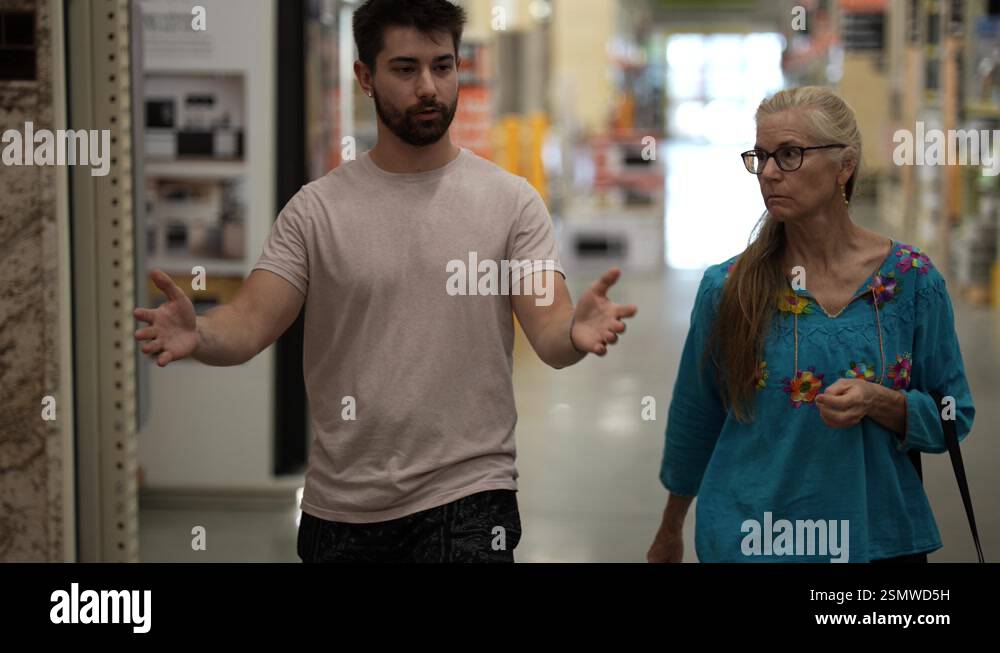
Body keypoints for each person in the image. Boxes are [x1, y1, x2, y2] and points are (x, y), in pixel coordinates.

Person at [133, 0, 637, 563]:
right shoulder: (316, 211)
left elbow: (548, 328)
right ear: (365, 77)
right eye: (405, 68)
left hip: (469, 495)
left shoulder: (511, 202)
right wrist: (199, 335)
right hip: (343, 505)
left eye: (442, 67)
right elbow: (250, 322)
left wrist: (575, 332)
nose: (429, 87)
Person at [647, 86, 975, 563]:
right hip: (752, 540)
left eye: (790, 155)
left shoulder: (912, 283)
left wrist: (882, 403)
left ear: (844, 165)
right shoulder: (729, 287)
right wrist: (670, 526)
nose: (769, 173)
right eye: (760, 157)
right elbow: (695, 419)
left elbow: (953, 415)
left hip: (876, 539)